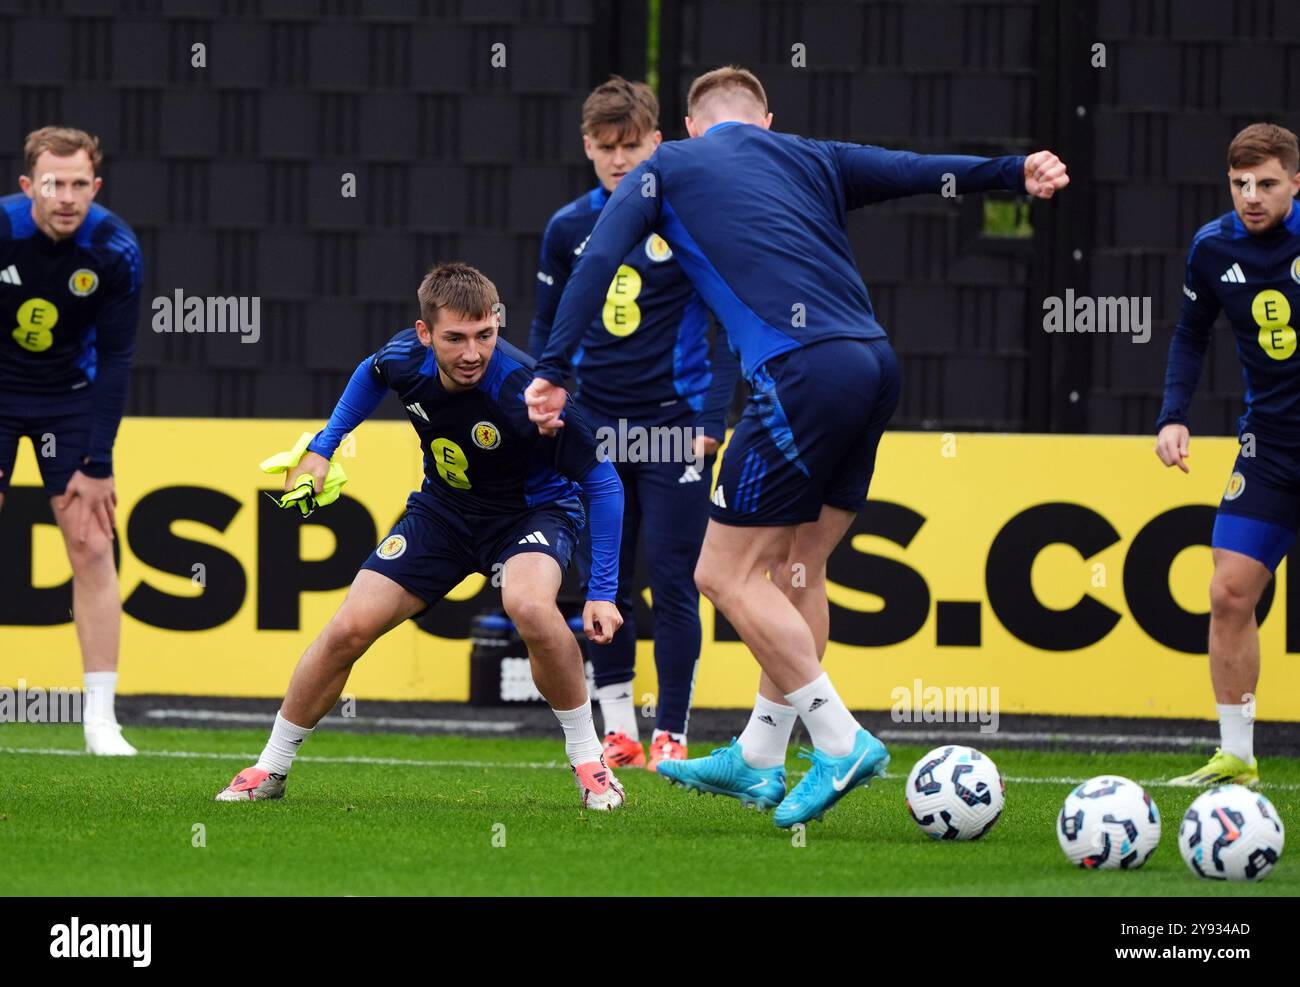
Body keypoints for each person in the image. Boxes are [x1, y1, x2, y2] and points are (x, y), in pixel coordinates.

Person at [526, 66, 1068, 827]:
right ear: (767, 121)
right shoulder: (809, 155)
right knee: (797, 567)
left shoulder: (668, 168)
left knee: (720, 572)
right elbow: (916, 171)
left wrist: (551, 371)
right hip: (875, 365)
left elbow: (594, 265)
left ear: (684, 128)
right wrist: (1015, 170)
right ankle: (758, 753)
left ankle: (839, 739)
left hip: (798, 374)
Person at [216, 262, 628, 809]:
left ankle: (590, 762)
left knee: (527, 603)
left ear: (497, 324)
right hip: (443, 512)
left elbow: (604, 481)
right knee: (348, 629)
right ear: (424, 333)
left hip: (535, 514)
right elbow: (370, 373)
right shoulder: (403, 358)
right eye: (454, 338)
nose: (472, 353)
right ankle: (270, 768)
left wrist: (602, 590)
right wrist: (323, 447)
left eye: (485, 335)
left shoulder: (526, 390)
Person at [530, 76, 737, 771]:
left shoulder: (688, 218)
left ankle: (672, 731)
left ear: (658, 141)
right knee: (603, 580)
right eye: (606, 146)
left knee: (675, 579)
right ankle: (617, 727)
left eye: (632, 145)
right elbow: (547, 325)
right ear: (588, 146)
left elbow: (729, 319)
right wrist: (545, 398)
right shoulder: (566, 228)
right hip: (595, 425)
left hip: (675, 426)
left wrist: (714, 416)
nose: (620, 159)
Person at [1156, 123, 1300, 788]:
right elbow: (1190, 334)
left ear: (1295, 182)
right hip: (1270, 447)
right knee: (1228, 591)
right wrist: (1173, 416)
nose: (1251, 195)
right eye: (1240, 183)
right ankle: (1238, 756)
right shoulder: (1212, 247)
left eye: (1266, 182)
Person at [0, 126, 143, 756]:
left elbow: (117, 359)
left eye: (79, 184)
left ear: (96, 186)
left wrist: (98, 461)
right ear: (28, 184)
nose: (66, 197)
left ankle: (100, 721)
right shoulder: (2, 231)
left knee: (90, 542)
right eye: (53, 183)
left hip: (69, 398)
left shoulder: (115, 250)